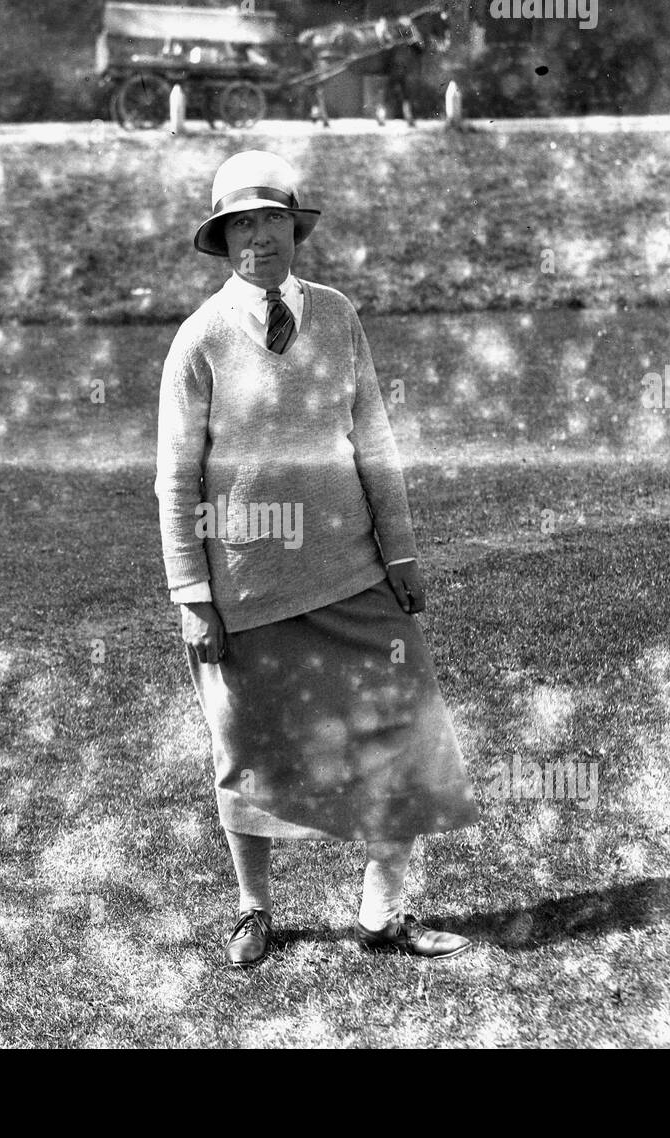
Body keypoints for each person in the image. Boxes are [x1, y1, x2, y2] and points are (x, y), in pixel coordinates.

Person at [155, 150, 481, 968]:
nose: (255, 236)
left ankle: (383, 912)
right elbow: (174, 479)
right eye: (238, 223)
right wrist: (194, 594)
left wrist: (400, 551)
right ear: (223, 238)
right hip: (244, 590)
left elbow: (374, 438)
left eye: (268, 218)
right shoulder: (198, 339)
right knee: (250, 747)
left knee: (403, 729)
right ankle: (253, 909)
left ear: (294, 229)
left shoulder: (338, 316)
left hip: (354, 573)